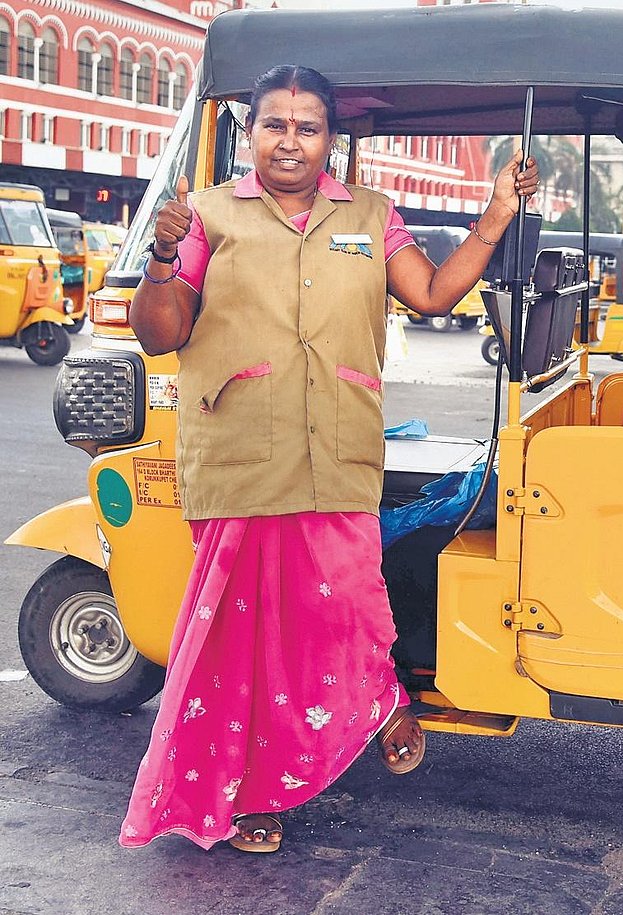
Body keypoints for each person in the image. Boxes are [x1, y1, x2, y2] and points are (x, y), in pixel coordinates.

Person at [119, 64, 539, 854]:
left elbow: (432, 294)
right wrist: (163, 260)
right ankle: (249, 799)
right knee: (240, 646)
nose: (289, 140)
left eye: (306, 126)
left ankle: (380, 701)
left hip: (337, 454)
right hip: (241, 458)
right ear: (250, 136)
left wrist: (495, 216)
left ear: (329, 139)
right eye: (273, 124)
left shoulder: (372, 215)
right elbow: (160, 332)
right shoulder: (205, 216)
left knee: (348, 602)